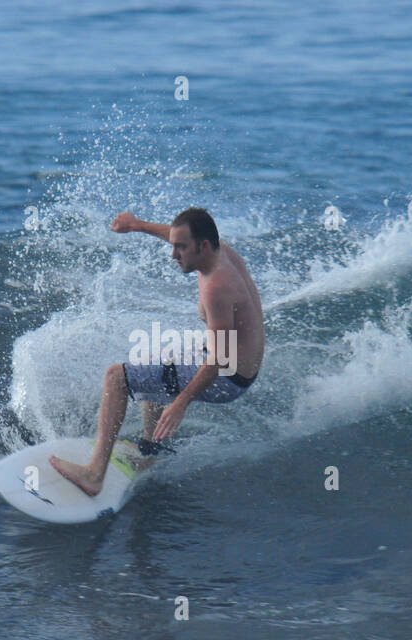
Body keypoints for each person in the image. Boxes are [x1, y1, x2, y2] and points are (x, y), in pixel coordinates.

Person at [49, 207, 265, 497]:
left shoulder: (217, 286)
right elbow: (174, 235)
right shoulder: (219, 250)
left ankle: (93, 474)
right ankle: (150, 452)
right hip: (237, 366)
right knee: (149, 364)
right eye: (174, 245)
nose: (173, 254)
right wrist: (136, 225)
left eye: (181, 248)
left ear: (202, 246)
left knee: (117, 377)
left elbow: (219, 360)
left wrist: (181, 403)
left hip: (227, 376)